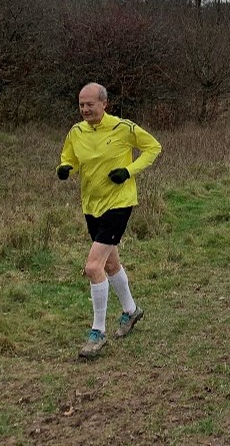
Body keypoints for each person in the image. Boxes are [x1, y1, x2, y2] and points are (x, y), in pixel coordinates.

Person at [56, 82, 162, 359]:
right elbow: (69, 156)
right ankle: (131, 310)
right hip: (91, 204)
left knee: (93, 267)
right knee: (110, 263)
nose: (85, 109)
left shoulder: (123, 128)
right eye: (81, 104)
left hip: (119, 203)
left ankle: (97, 332)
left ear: (105, 104)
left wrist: (128, 171)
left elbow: (153, 148)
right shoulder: (76, 131)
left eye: (90, 104)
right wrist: (66, 167)